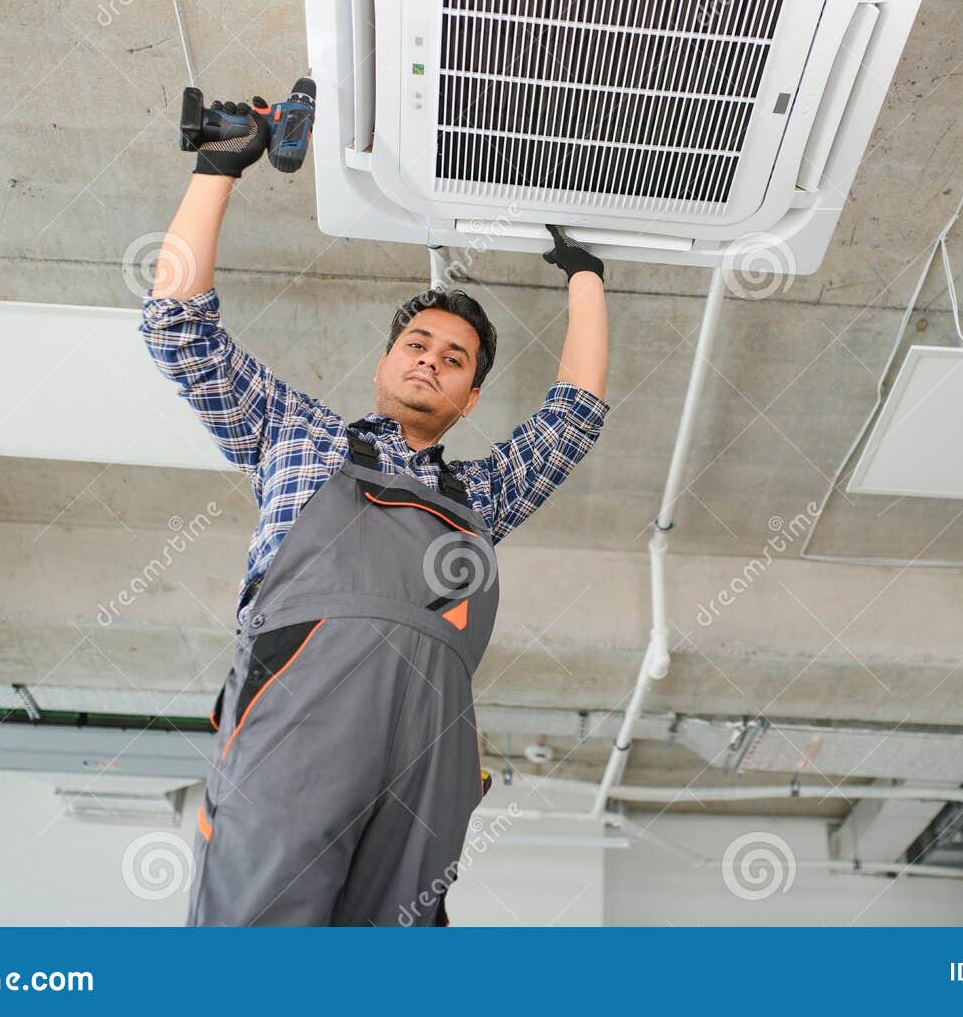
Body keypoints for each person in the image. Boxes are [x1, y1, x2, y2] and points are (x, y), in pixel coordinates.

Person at [138, 99, 610, 925]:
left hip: (428, 737)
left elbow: (573, 417)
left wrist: (586, 274)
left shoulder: (480, 497)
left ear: (467, 401)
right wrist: (217, 169)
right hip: (301, 694)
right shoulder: (296, 434)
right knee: (259, 917)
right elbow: (179, 330)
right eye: (417, 345)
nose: (431, 359)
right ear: (386, 362)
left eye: (454, 358)